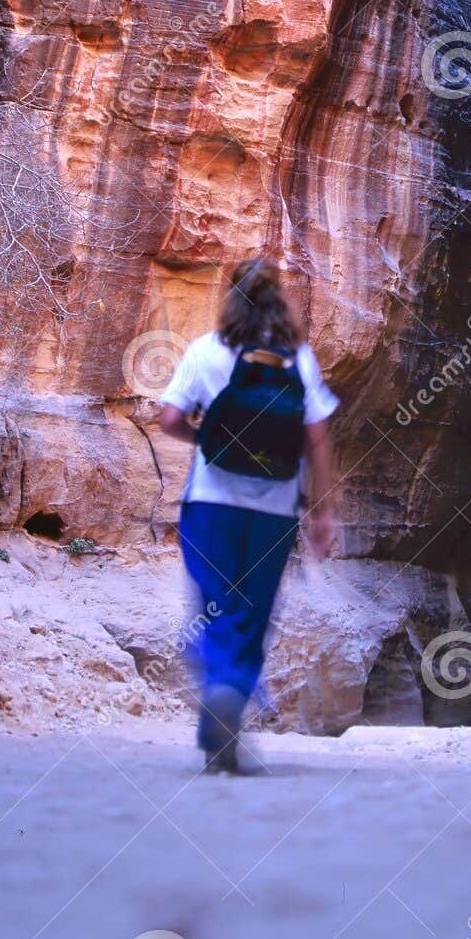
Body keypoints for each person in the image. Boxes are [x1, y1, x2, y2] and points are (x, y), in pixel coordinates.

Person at [156, 257, 340, 774]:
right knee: (252, 611)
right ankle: (233, 692)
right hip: (275, 510)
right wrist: (324, 513)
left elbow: (169, 417)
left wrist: (210, 440)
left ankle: (220, 687)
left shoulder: (206, 351)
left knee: (213, 604)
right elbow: (317, 438)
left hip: (211, 504)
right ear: (279, 299)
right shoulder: (297, 360)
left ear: (229, 297)